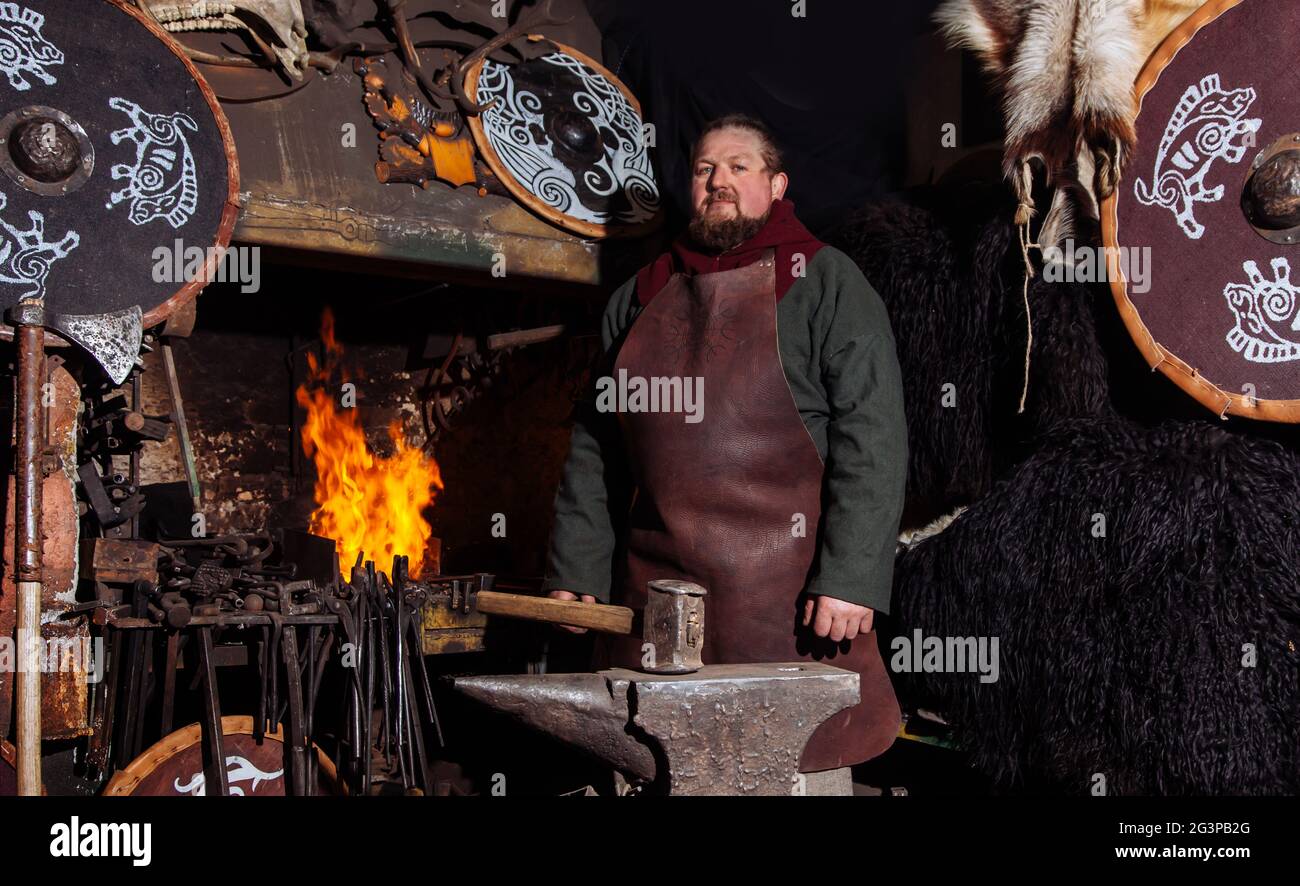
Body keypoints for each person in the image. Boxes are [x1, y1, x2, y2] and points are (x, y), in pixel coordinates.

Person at [543, 113, 908, 780]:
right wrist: (576, 570)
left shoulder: (826, 284)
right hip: (655, 615)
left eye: (740, 167)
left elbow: (873, 435)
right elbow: (597, 446)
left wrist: (852, 578)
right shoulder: (637, 297)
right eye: (706, 169)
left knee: (795, 777)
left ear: (777, 184)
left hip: (790, 614)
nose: (720, 181)